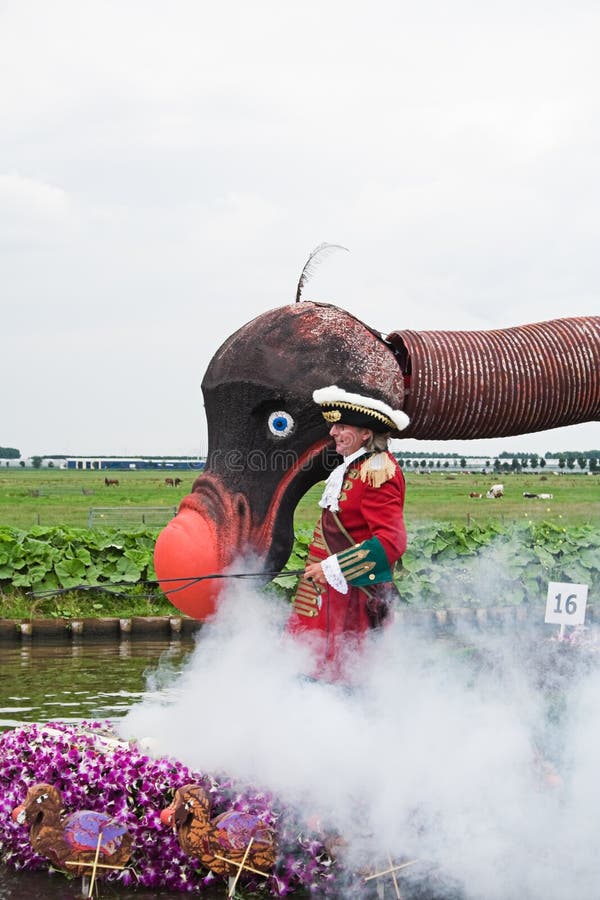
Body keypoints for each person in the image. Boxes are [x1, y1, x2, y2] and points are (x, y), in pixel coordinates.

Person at [285, 385, 410, 683]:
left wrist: (334, 568)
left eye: (341, 426)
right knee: (308, 673)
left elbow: (392, 541)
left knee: (344, 682)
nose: (332, 433)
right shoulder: (356, 467)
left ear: (366, 433)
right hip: (325, 600)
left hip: (352, 603)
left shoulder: (378, 471)